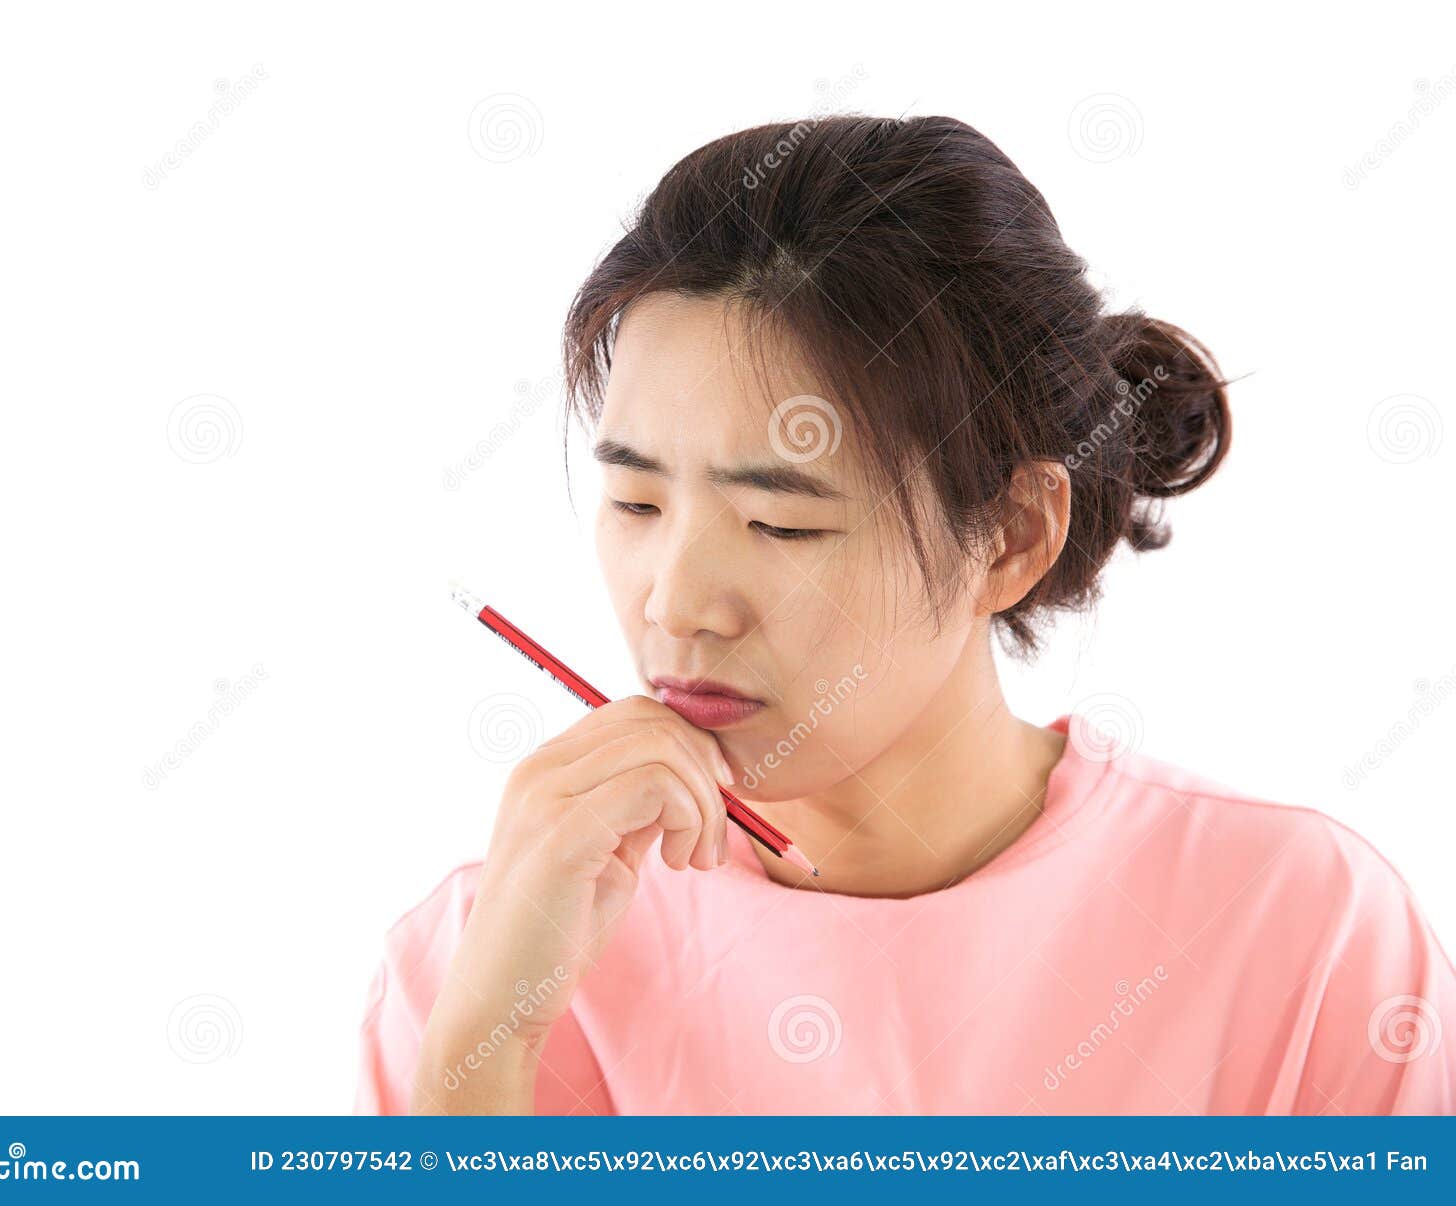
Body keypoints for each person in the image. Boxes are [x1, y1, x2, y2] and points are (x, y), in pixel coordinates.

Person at [357, 115, 1456, 1114]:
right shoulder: (486, 959)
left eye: (779, 523)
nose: (676, 601)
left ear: (1014, 534)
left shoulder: (1293, 924)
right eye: (636, 501)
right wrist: (475, 1059)